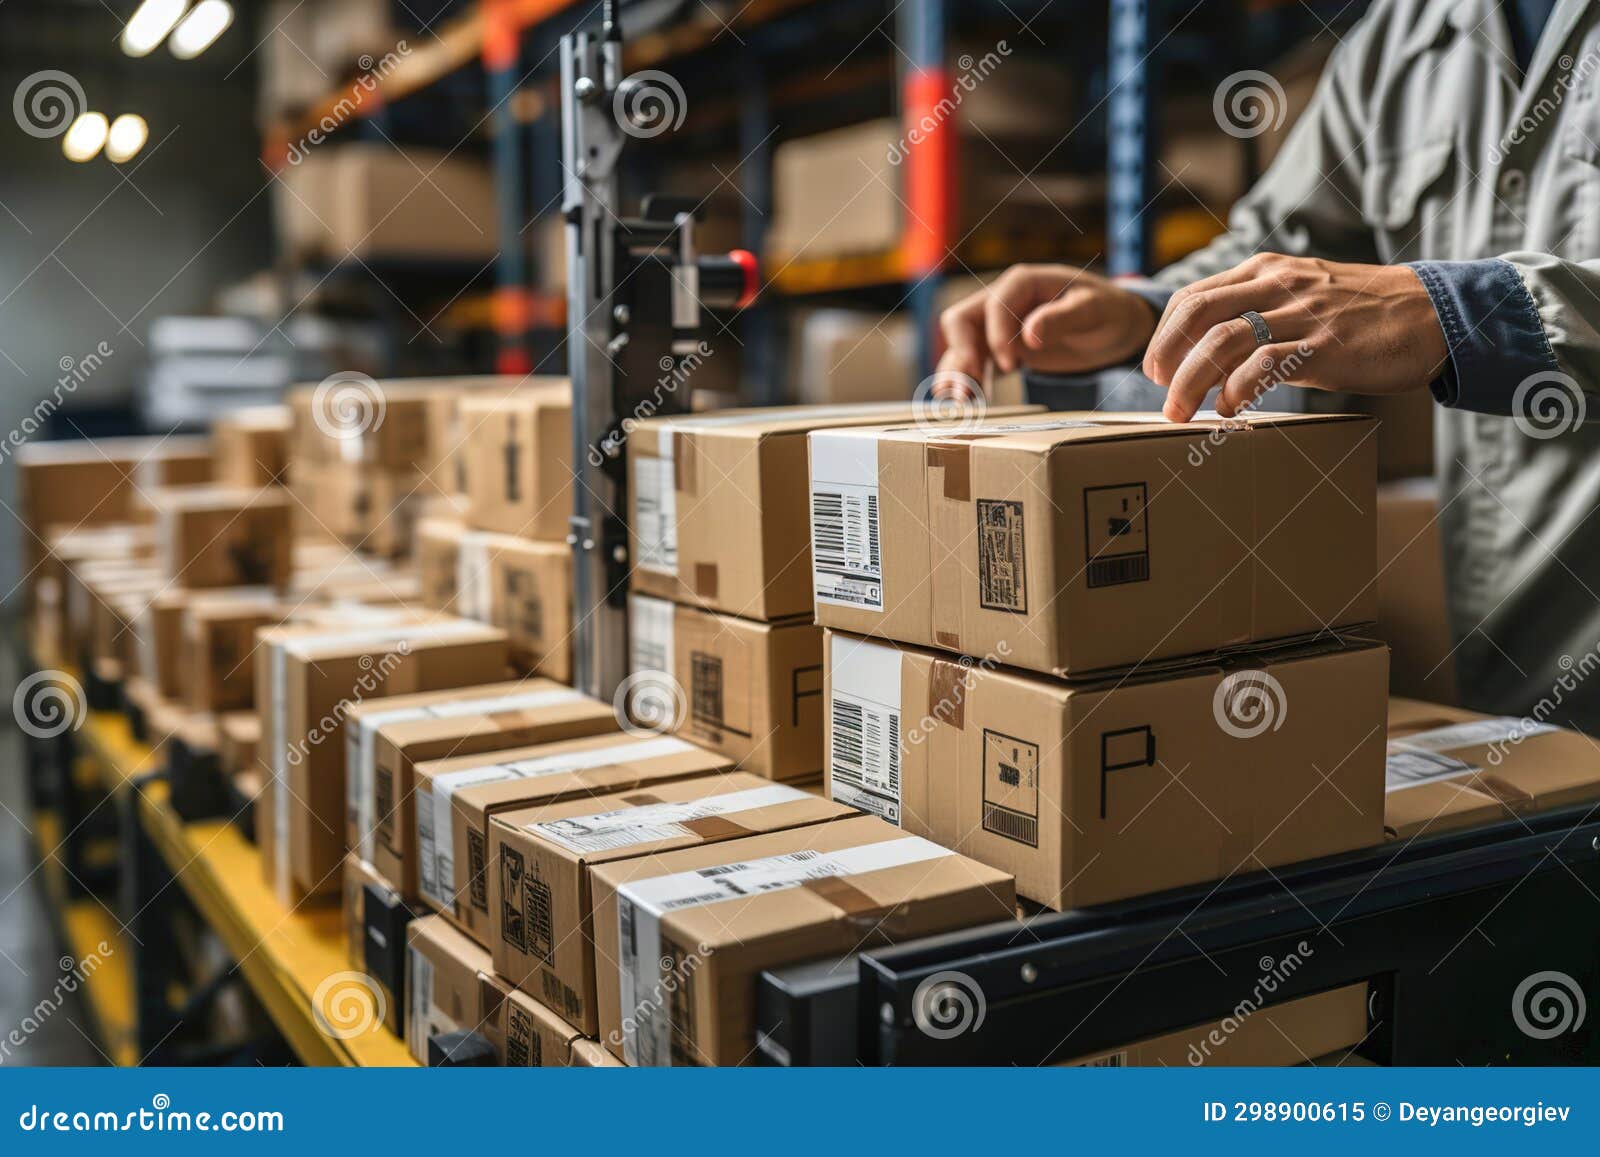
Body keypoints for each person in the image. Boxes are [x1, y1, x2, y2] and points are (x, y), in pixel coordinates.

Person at [937, 0, 1600, 730]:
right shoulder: (1405, 34)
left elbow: (1428, 302)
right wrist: (1149, 312)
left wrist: (1457, 310)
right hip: (1522, 674)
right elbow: (1282, 241)